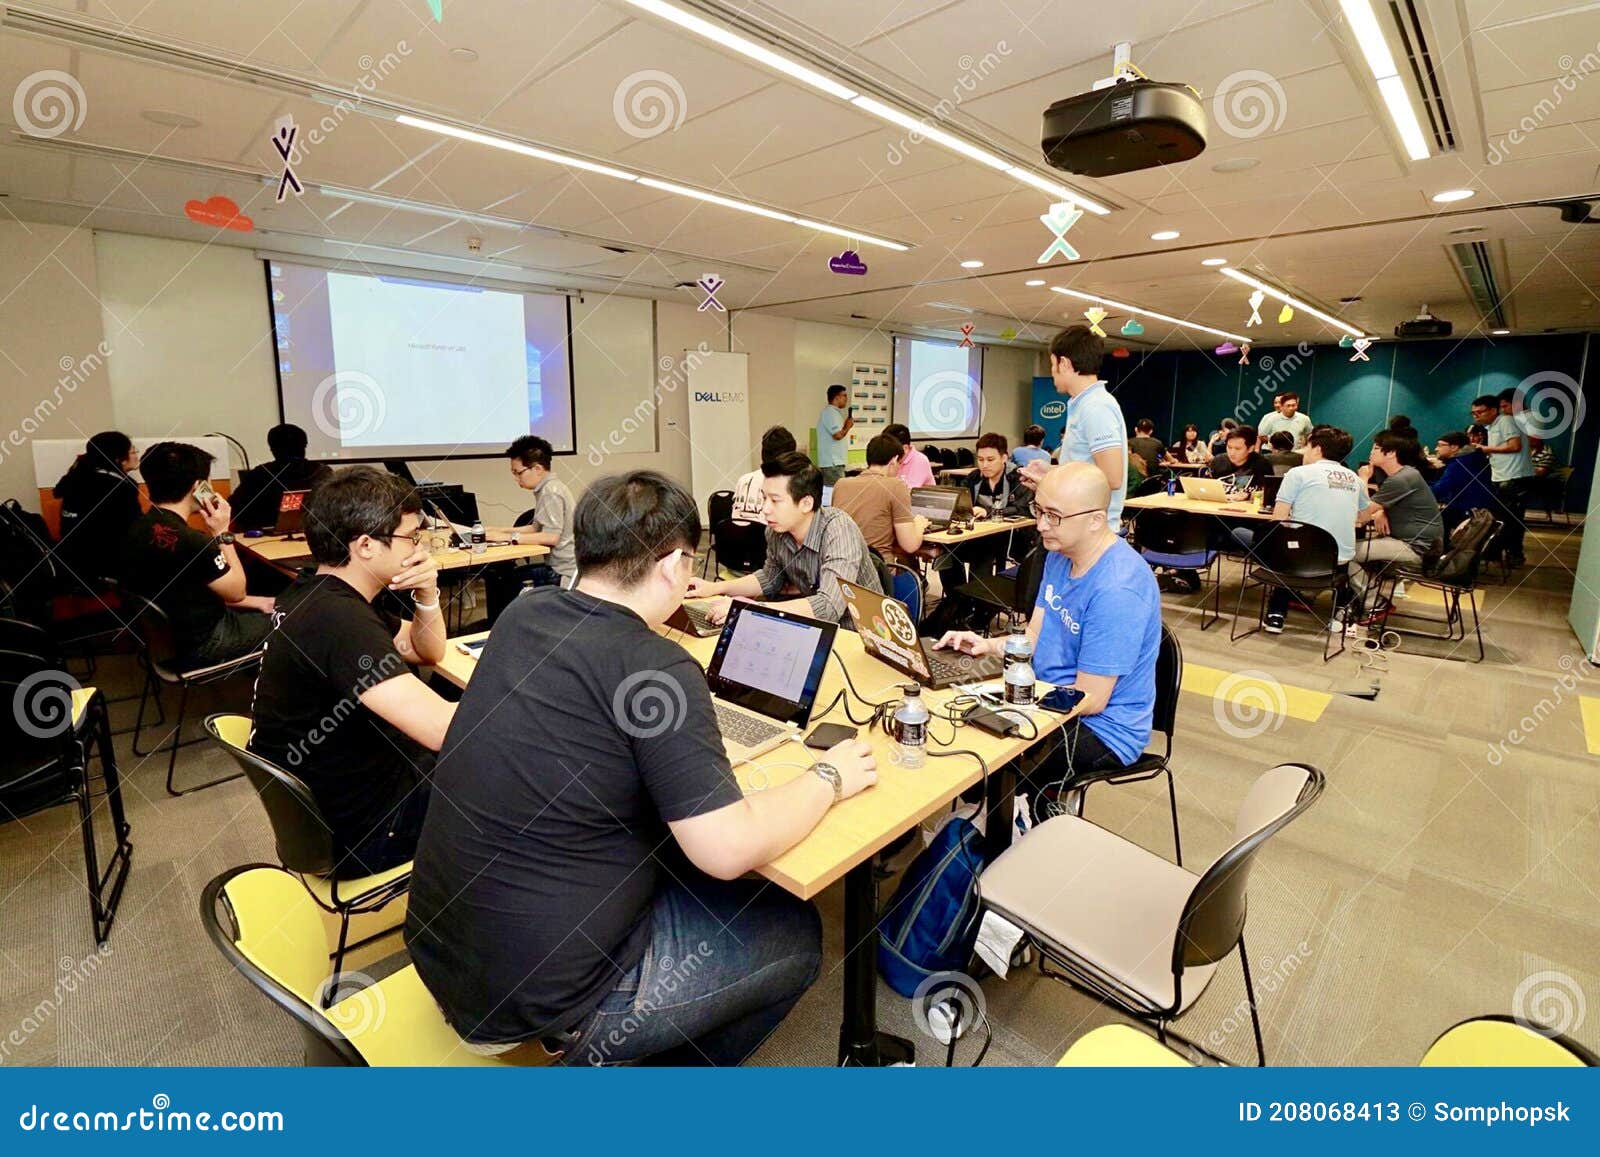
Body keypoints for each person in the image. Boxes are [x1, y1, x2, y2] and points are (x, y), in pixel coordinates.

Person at [405, 470, 877, 1064]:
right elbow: (726, 849)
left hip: (442, 952)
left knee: (677, 850)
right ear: (674, 565)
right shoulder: (656, 666)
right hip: (543, 999)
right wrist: (827, 777)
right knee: (798, 934)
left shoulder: (526, 614)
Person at [248, 467, 455, 879]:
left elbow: (426, 651)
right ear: (365, 545)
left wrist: (428, 595)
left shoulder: (317, 591)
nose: (419, 548)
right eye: (411, 537)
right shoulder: (338, 620)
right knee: (516, 769)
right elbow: (441, 731)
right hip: (365, 834)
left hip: (332, 807)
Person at [936, 463, 1160, 821]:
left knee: (988, 763)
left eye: (1053, 516)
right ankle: (993, 823)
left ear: (1095, 520)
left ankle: (1021, 821)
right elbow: (1035, 637)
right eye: (1038, 510)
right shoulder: (1059, 555)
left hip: (1101, 728)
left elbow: (1089, 699)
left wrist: (1013, 703)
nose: (1040, 524)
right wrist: (988, 645)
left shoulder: (1118, 589)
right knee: (965, 735)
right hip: (1048, 697)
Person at [119, 441, 274, 665]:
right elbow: (237, 592)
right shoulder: (193, 542)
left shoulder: (137, 528)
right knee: (297, 618)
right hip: (206, 643)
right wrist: (222, 533)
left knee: (268, 606)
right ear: (198, 487)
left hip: (165, 643)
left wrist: (257, 601)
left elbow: (187, 591)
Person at [687, 451, 881, 625]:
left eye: (775, 500)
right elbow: (770, 578)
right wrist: (715, 588)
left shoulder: (839, 530)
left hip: (862, 634)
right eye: (764, 498)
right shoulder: (776, 531)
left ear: (806, 503)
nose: (765, 509)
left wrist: (747, 610)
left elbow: (828, 606)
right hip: (817, 628)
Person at [1239, 426, 1365, 634]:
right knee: (1300, 545)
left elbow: (1278, 519)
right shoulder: (1355, 479)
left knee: (1267, 539)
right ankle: (1341, 612)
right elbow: (1364, 516)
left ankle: (1276, 614)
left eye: (1307, 446)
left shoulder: (1297, 474)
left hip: (1297, 560)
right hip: (1337, 562)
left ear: (1317, 449)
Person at [1020, 326, 1126, 533]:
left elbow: (1112, 478)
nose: (1052, 372)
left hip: (1089, 530)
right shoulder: (1084, 403)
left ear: (1065, 364)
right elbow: (1086, 467)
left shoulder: (1096, 406)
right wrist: (1051, 473)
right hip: (1076, 523)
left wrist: (1051, 479)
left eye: (1053, 365)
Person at [1349, 432, 1444, 617]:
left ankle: (1373, 602)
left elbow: (1363, 514)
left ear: (1391, 453)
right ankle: (1354, 598)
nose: (1371, 452)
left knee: (1344, 553)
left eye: (1376, 448)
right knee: (1350, 548)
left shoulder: (1400, 479)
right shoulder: (1407, 473)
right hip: (1419, 542)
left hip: (1416, 547)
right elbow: (1382, 505)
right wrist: (1382, 511)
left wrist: (1363, 479)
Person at [52, 431, 142, 583]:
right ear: (119, 459)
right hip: (102, 569)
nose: (136, 456)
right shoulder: (119, 488)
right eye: (133, 452)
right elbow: (136, 530)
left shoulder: (79, 477)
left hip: (72, 563)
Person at [830, 433, 928, 561]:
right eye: (899, 464)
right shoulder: (896, 485)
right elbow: (910, 545)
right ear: (894, 460)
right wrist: (919, 524)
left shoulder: (841, 484)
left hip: (840, 564)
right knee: (908, 563)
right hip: (877, 568)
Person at [229, 423, 333, 531]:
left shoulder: (260, 474)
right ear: (305, 445)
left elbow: (233, 510)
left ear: (272, 449)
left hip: (264, 538)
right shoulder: (323, 473)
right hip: (318, 533)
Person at [1473, 391, 1533, 567]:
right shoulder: (1493, 426)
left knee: (1511, 520)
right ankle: (1496, 554)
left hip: (1514, 477)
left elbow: (1515, 446)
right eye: (1473, 413)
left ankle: (1514, 556)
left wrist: (1485, 449)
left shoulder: (1506, 421)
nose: (1476, 416)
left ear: (1493, 410)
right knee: (1503, 518)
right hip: (1503, 476)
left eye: (1480, 412)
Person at [1431, 431, 1495, 533]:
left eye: (1440, 445)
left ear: (1454, 447)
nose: (1436, 449)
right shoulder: (1473, 458)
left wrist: (1421, 490)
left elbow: (1440, 489)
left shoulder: (1457, 465)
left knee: (1434, 519)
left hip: (1468, 511)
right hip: (1483, 508)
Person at [732, 426, 796, 525]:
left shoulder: (743, 480)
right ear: (789, 457)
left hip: (735, 534)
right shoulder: (787, 483)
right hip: (769, 534)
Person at [966, 432, 1033, 521]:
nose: (985, 465)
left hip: (1012, 529)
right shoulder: (973, 478)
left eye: (990, 460)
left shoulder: (1019, 478)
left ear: (1004, 458)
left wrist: (988, 512)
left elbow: (1023, 509)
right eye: (980, 459)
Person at [1207, 425, 1272, 491]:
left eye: (1237, 449)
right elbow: (1206, 487)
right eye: (1229, 447)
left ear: (1250, 448)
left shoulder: (1262, 465)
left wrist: (1248, 495)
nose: (1232, 453)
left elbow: (1267, 492)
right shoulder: (1218, 461)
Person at [816, 384, 853, 486]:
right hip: (833, 463)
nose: (846, 398)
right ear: (837, 398)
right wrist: (848, 426)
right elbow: (837, 435)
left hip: (835, 463)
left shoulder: (834, 413)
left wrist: (846, 424)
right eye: (844, 395)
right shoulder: (830, 413)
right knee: (836, 492)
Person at [885, 422, 936, 489]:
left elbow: (907, 491)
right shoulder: (890, 459)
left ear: (905, 448)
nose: (887, 452)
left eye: (890, 448)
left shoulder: (919, 460)